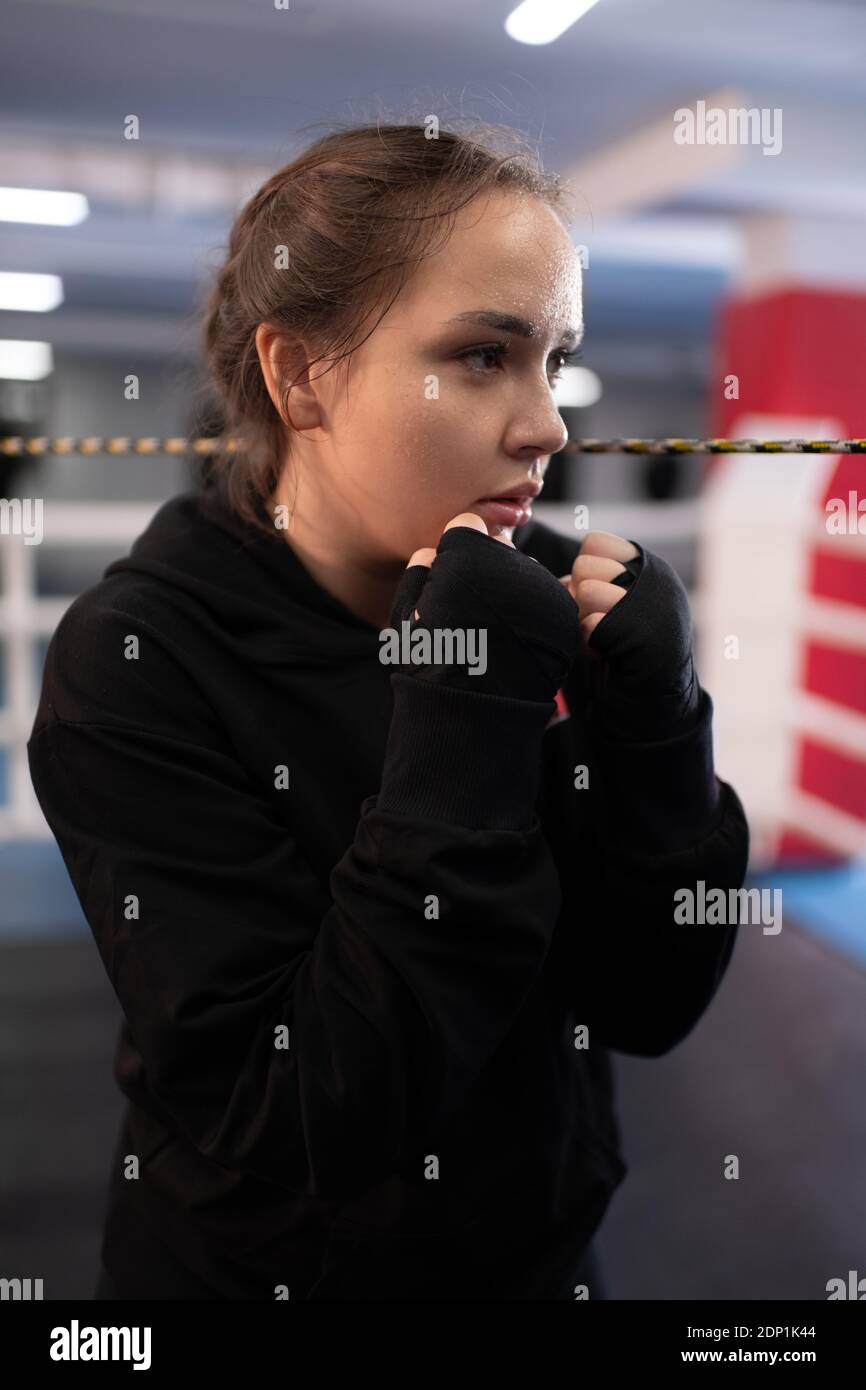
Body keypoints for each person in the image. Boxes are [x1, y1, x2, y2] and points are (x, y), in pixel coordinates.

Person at [27, 122, 749, 1301]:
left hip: (540, 1259)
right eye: (480, 355)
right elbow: (303, 1106)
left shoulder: (556, 600)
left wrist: (660, 735)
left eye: (551, 360)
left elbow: (650, 1000)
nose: (546, 424)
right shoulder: (139, 658)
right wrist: (464, 720)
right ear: (300, 374)